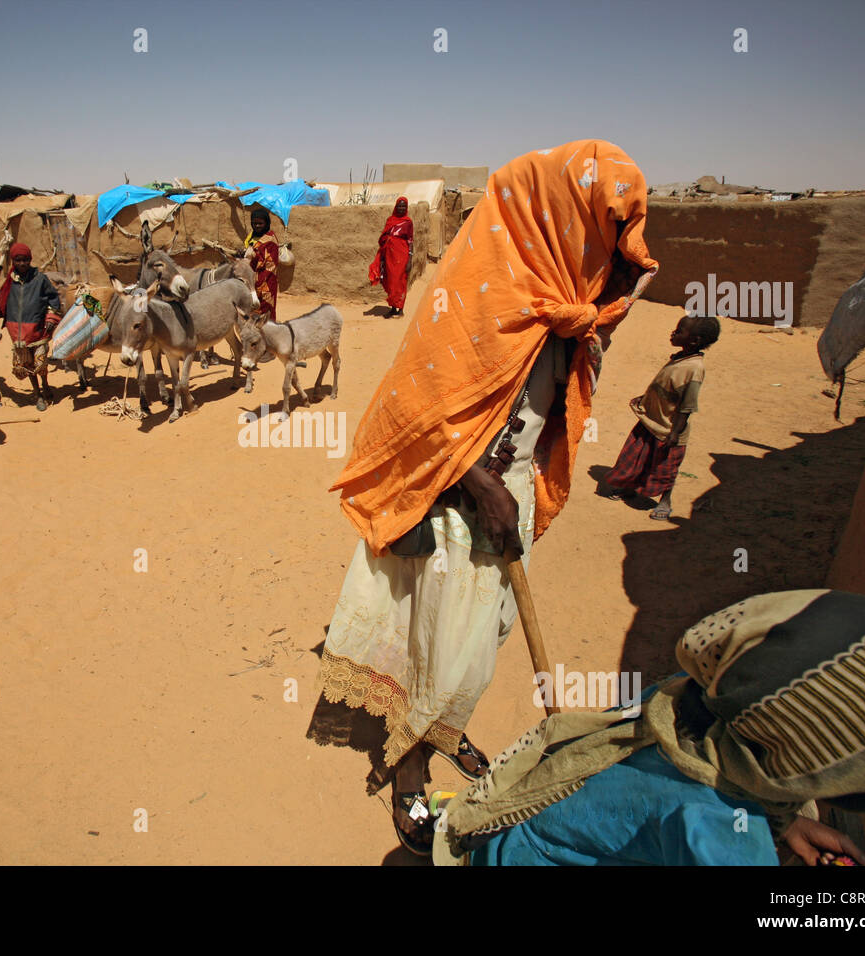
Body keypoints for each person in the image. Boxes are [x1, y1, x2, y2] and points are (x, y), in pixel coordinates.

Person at [308, 141, 659, 856]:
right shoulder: (479, 283)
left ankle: (434, 723)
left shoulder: (573, 292)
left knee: (478, 640)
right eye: (603, 229)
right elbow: (420, 401)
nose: (613, 250)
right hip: (455, 505)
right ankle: (409, 766)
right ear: (562, 216)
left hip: (512, 498)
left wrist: (596, 315)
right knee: (450, 644)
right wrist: (483, 484)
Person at [432, 589, 865, 866]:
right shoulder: (717, 831)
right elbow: (709, 821)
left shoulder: (692, 703)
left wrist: (785, 821)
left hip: (514, 836)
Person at [600, 313, 719, 519]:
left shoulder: (694, 369)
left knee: (665, 468)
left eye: (679, 331)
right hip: (650, 421)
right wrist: (645, 399)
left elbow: (686, 406)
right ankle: (629, 488)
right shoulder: (681, 358)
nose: (673, 333)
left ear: (694, 340)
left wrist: (674, 433)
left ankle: (665, 502)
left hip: (668, 430)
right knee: (636, 458)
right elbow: (665, 387)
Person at [0, 242, 62, 410]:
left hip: (38, 330)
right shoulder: (10, 282)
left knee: (41, 362)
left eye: (25, 260)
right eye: (18, 260)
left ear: (30, 260)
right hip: (18, 334)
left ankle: (45, 384)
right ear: (13, 261)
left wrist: (50, 318)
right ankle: (38, 394)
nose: (22, 264)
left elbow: (53, 299)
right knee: (27, 365)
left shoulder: (40, 279)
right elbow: (2, 302)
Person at [368, 197, 414, 317]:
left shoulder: (408, 222)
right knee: (391, 281)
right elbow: (384, 236)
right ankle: (393, 307)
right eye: (399, 206)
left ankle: (400, 309)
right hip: (390, 255)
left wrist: (410, 259)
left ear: (406, 208)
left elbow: (410, 241)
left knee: (400, 281)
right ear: (396, 207)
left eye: (403, 206)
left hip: (401, 255)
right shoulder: (390, 220)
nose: (401, 208)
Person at [242, 206, 279, 323]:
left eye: (260, 223)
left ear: (266, 223)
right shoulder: (252, 236)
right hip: (252, 280)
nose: (257, 226)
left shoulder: (270, 241)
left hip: (265, 281)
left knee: (265, 310)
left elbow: (269, 263)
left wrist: (253, 255)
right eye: (254, 223)